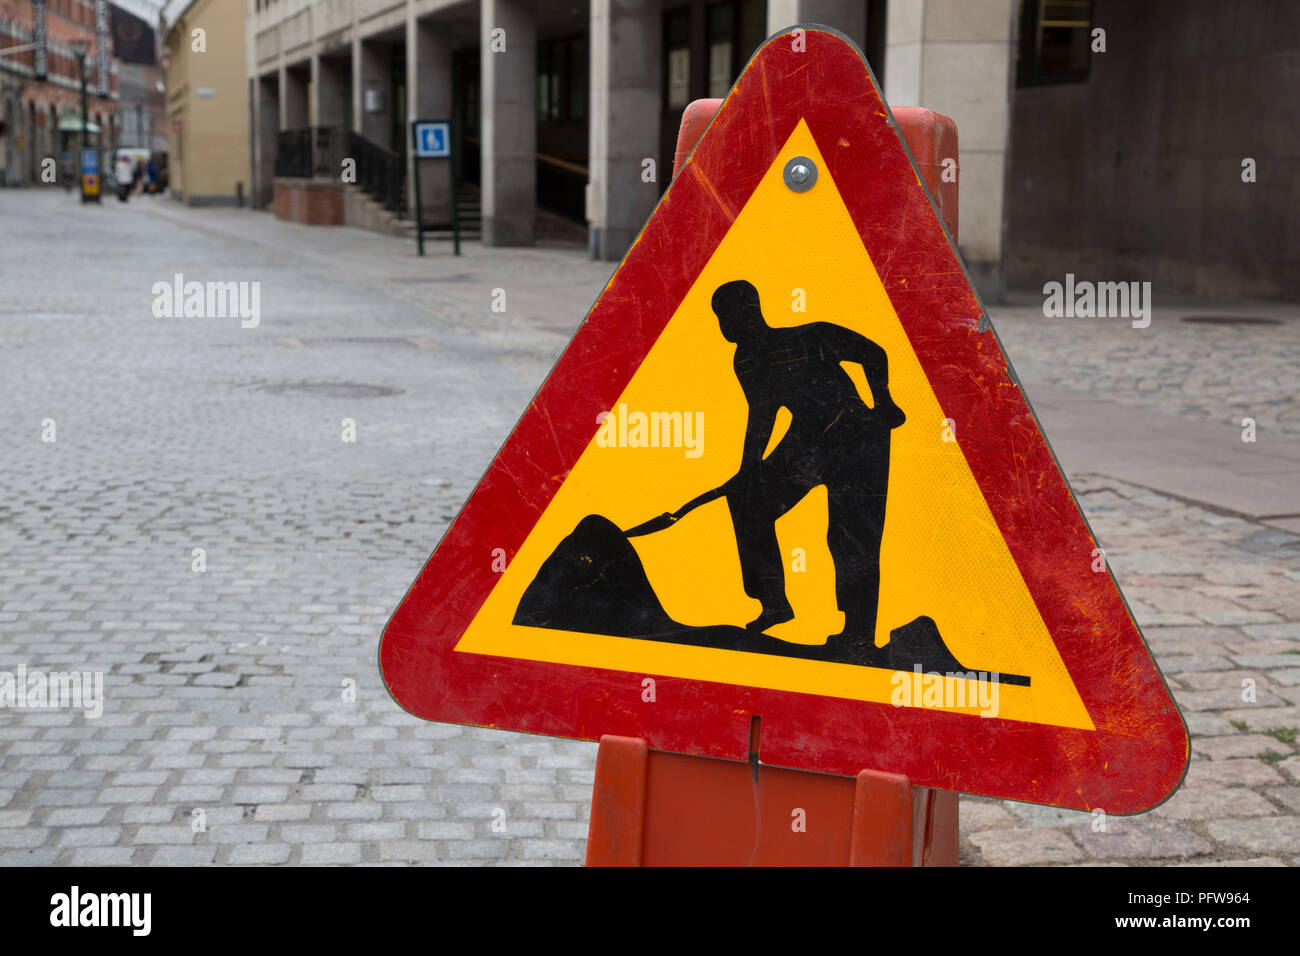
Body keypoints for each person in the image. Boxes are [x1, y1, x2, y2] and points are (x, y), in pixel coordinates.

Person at [711, 279, 906, 663]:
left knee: (850, 537)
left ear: (750, 311)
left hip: (857, 436)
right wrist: (747, 472)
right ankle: (773, 600)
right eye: (719, 319)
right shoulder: (747, 361)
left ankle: (859, 636)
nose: (725, 326)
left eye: (728, 316)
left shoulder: (810, 336)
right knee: (749, 501)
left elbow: (874, 352)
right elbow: (763, 416)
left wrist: (881, 402)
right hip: (808, 441)